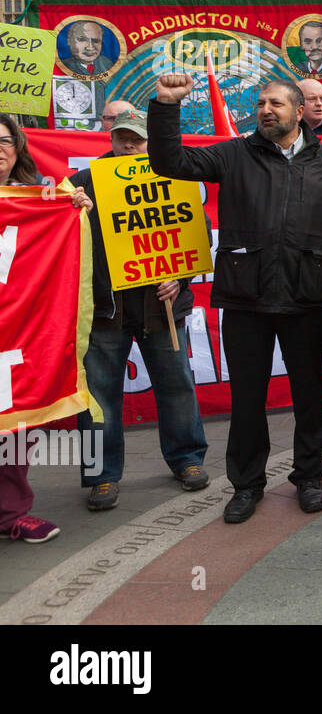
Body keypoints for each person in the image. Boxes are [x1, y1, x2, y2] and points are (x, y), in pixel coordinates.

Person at [148, 73, 322, 524]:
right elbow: (170, 162)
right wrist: (166, 105)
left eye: (276, 104)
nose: (266, 110)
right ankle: (247, 485)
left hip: (307, 297)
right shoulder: (233, 154)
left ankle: (308, 477)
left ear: (299, 112)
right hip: (246, 298)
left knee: (310, 396)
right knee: (247, 398)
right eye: (262, 103)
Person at [72, 111, 210, 512]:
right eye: (122, 138)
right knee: (98, 399)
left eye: (137, 139)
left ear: (151, 142)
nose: (129, 145)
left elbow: (196, 234)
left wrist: (180, 280)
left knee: (177, 387)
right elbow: (60, 238)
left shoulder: (176, 178)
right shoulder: (85, 182)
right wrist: (74, 210)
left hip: (161, 307)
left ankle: (187, 460)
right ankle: (101, 477)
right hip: (105, 311)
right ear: (110, 138)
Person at [0, 113, 92, 543]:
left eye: (3, 141)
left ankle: (11, 513)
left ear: (17, 147)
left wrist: (70, 210)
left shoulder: (39, 194)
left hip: (18, 333)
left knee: (17, 425)